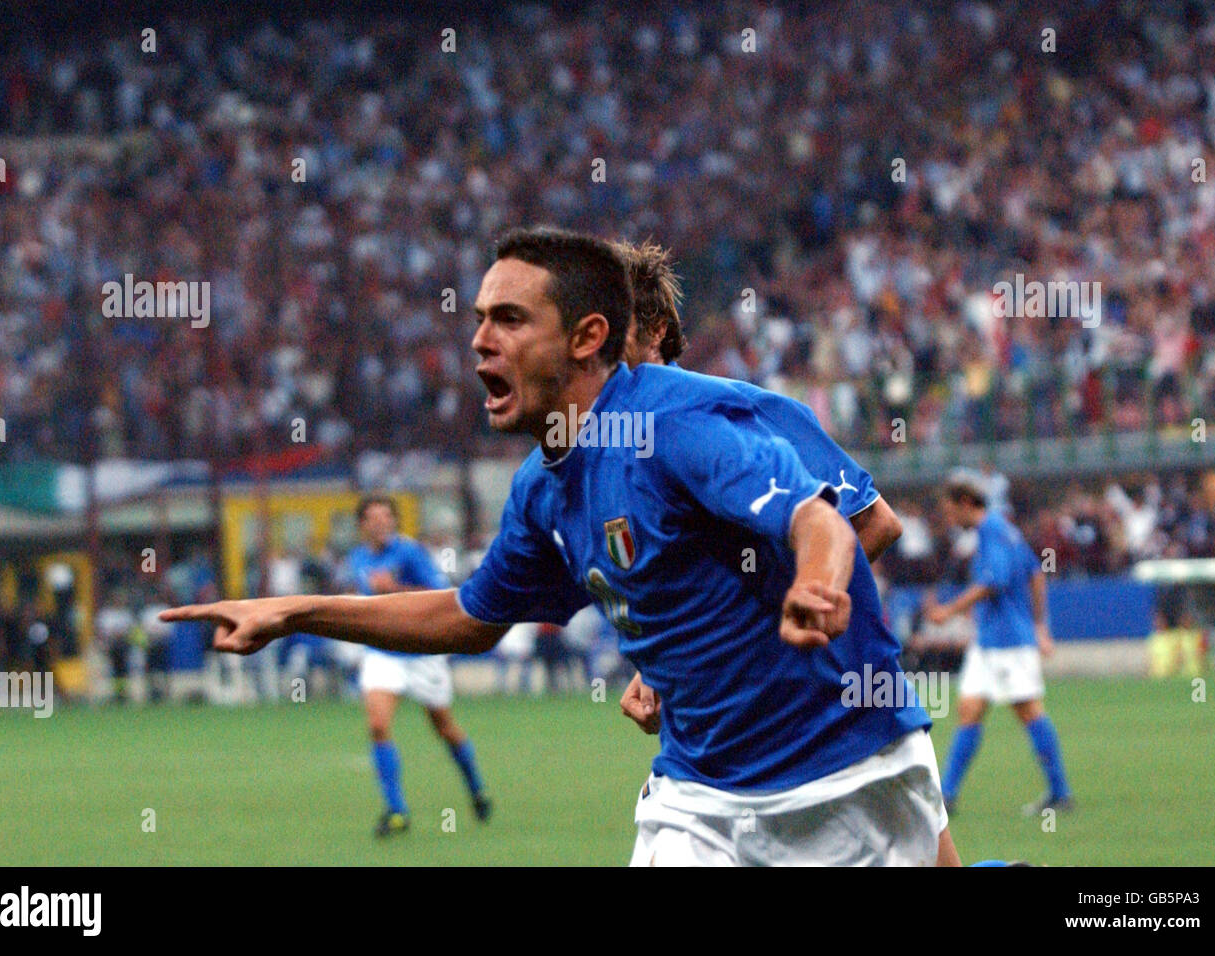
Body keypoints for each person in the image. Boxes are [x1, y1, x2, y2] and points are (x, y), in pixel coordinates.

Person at [163, 227, 947, 866]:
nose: (477, 343)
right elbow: (469, 618)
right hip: (697, 793)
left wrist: (813, 587)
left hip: (835, 772)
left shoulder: (690, 423)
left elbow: (828, 521)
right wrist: (297, 611)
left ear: (590, 337)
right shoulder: (542, 489)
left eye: (507, 320)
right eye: (477, 319)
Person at [611, 239, 960, 866]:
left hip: (842, 712)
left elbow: (874, 523)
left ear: (655, 329)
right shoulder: (621, 450)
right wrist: (667, 659)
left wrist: (787, 609)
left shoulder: (741, 412)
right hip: (721, 763)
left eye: (613, 322)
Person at [926, 469, 1073, 816]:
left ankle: (1060, 792)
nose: (949, 518)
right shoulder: (1005, 530)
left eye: (950, 510)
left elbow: (992, 582)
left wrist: (949, 611)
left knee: (1028, 711)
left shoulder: (991, 530)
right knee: (969, 710)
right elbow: (1036, 575)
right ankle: (947, 796)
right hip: (992, 640)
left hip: (1007, 640)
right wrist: (1039, 625)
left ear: (965, 502)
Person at [345, 494, 491, 837]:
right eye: (373, 517)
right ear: (362, 525)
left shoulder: (410, 552)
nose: (381, 522)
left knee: (444, 727)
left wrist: (394, 588)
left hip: (422, 651)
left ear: (394, 521)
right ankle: (397, 812)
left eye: (386, 516)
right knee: (378, 725)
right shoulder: (358, 558)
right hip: (383, 651)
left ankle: (476, 789)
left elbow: (441, 594)